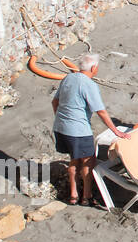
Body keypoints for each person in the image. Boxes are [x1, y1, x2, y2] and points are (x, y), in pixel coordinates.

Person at [52, 53, 131, 205]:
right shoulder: (89, 84)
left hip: (61, 128)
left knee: (74, 160)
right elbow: (100, 111)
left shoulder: (67, 78)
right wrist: (116, 131)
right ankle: (86, 196)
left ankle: (74, 194)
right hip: (79, 130)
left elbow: (55, 102)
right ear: (94, 68)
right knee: (88, 162)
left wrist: (61, 119)